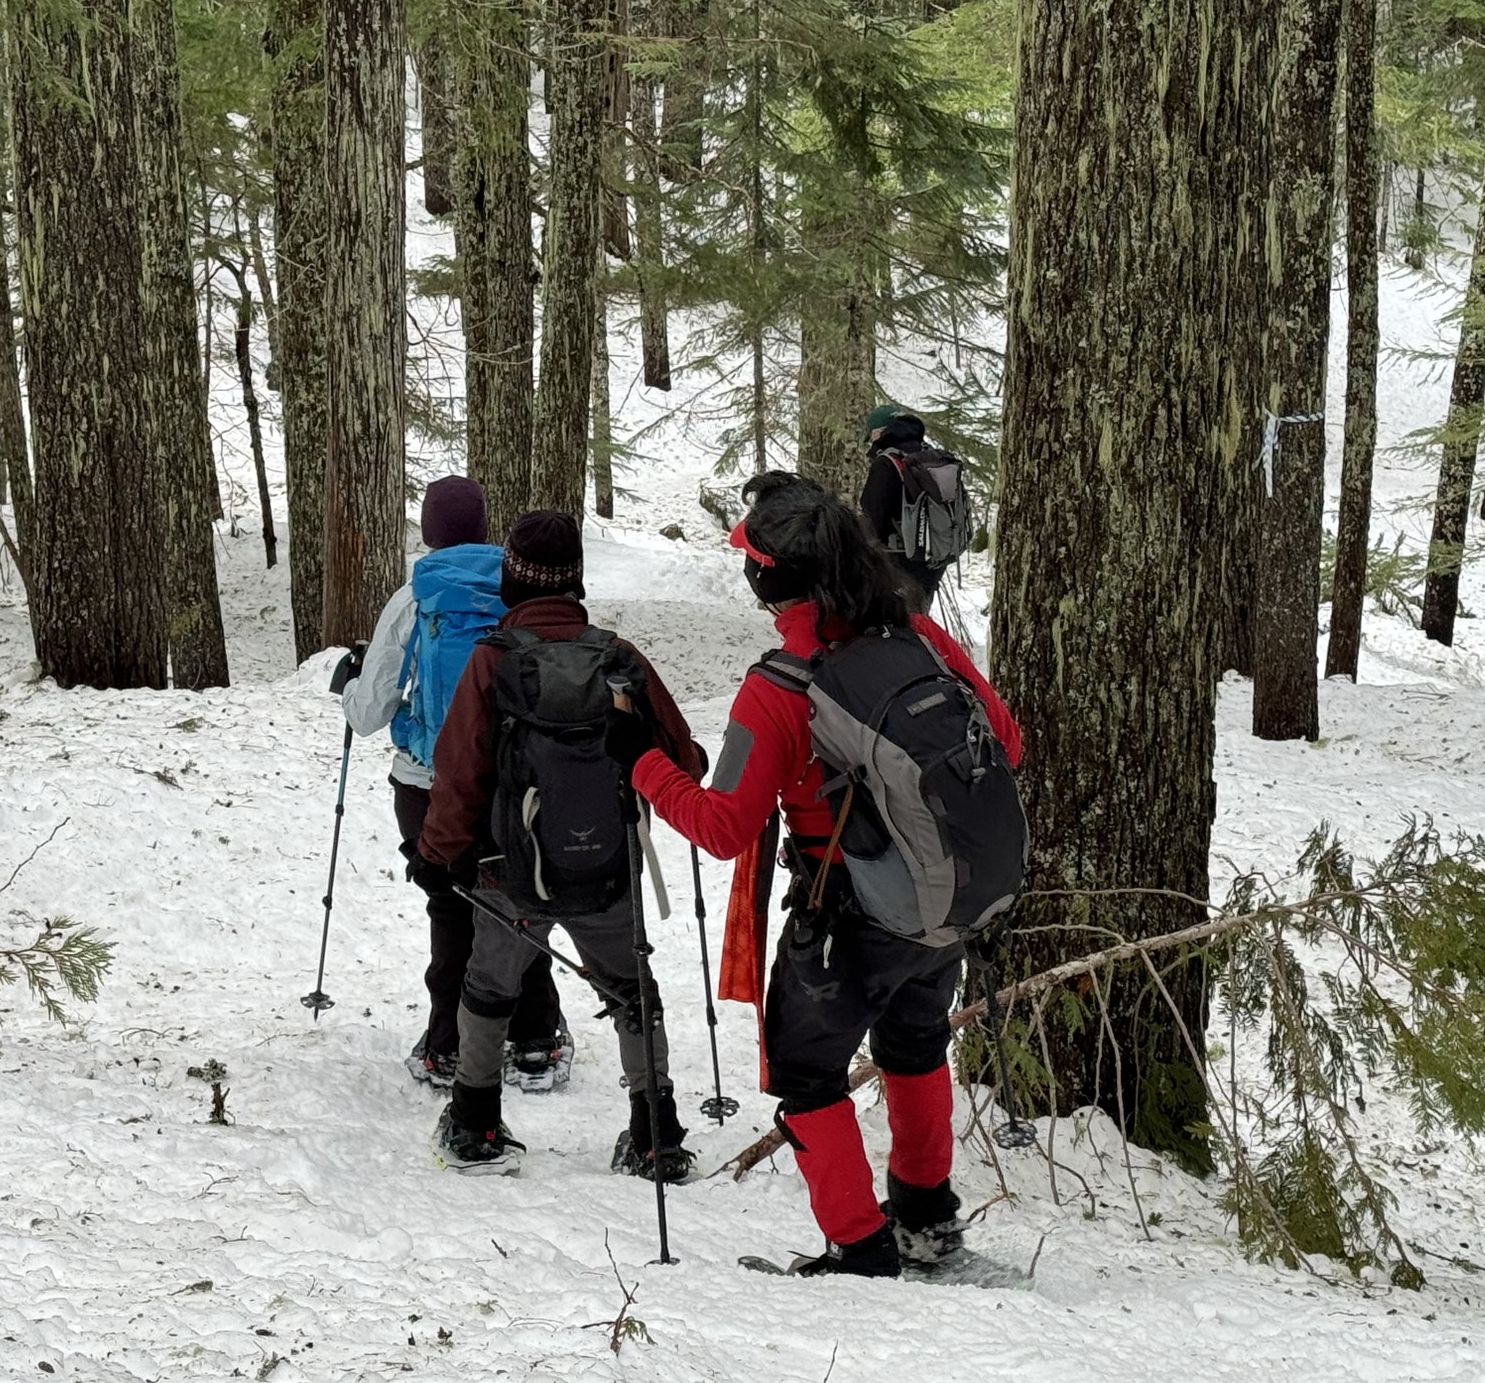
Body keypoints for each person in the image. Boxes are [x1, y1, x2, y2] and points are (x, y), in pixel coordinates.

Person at [630, 471, 1023, 1277]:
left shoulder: (777, 688)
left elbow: (721, 826)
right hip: (939, 899)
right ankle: (928, 1222)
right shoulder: (921, 638)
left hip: (845, 915)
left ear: (768, 576)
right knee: (915, 1047)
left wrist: (640, 765)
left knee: (810, 1072)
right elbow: (1007, 745)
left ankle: (861, 1246)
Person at [414, 511, 706, 1178]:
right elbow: (682, 761)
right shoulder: (619, 659)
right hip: (608, 867)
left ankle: (475, 1126)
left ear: (513, 579)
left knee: (489, 986)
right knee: (632, 989)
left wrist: (436, 853)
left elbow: (459, 773)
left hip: (511, 871)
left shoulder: (494, 662)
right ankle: (656, 1134)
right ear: (575, 578)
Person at [334, 478, 570, 1092]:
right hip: (516, 784)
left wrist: (350, 686)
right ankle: (537, 1041)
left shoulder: (415, 599)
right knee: (520, 902)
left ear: (428, 530)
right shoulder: (521, 589)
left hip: (428, 784)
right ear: (485, 526)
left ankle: (446, 1046)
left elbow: (370, 713)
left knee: (451, 904)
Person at [859, 405, 956, 615]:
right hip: (935, 557)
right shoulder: (931, 455)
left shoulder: (887, 462)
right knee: (919, 616)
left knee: (898, 622)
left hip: (898, 560)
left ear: (879, 431)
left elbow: (873, 518)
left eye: (872, 433)